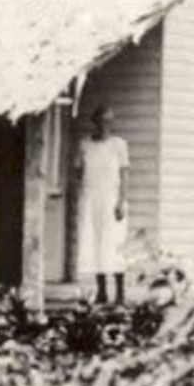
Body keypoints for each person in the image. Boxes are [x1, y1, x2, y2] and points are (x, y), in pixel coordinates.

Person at [76, 105, 130, 304]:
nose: (104, 125)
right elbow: (79, 172)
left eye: (108, 121)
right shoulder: (85, 145)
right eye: (101, 121)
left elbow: (124, 176)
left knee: (114, 243)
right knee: (95, 243)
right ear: (94, 122)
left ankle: (120, 292)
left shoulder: (119, 145)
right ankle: (101, 291)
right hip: (91, 197)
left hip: (112, 198)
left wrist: (121, 201)